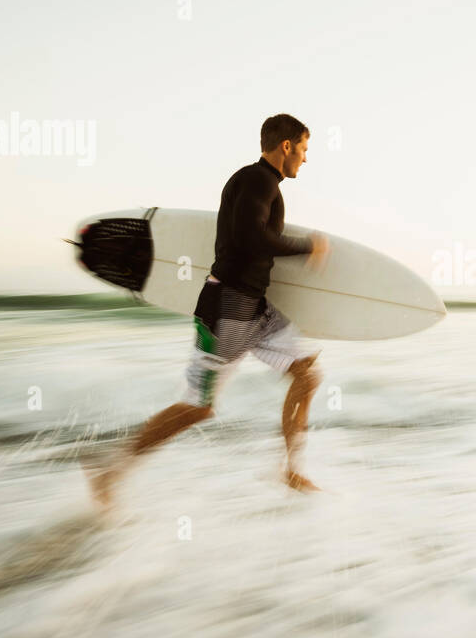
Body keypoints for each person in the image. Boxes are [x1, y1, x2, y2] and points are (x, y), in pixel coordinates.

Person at [84, 113, 331, 509]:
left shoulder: (263, 185)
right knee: (197, 408)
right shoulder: (256, 180)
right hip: (225, 312)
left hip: (255, 310)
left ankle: (291, 468)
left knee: (307, 374)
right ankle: (110, 467)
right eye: (303, 149)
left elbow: (254, 239)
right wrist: (307, 246)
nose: (305, 158)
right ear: (286, 146)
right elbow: (252, 239)